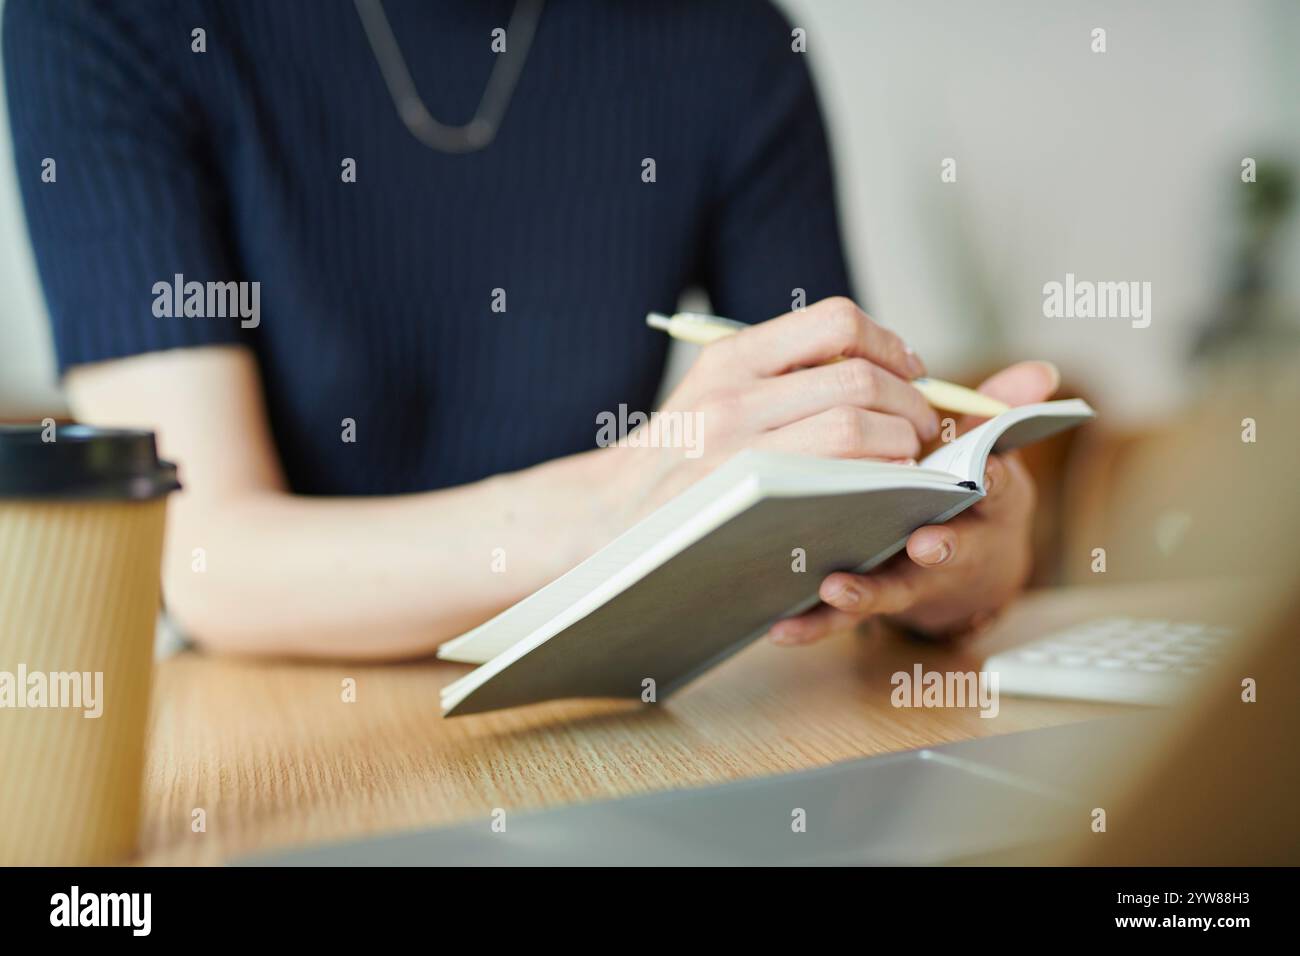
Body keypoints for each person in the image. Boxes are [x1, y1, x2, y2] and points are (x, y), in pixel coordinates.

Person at [4, 0, 1056, 659]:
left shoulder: (732, 45)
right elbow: (208, 554)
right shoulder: (106, 18)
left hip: (600, 714)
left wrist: (951, 541)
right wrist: (626, 500)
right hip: (268, 734)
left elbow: (835, 481)